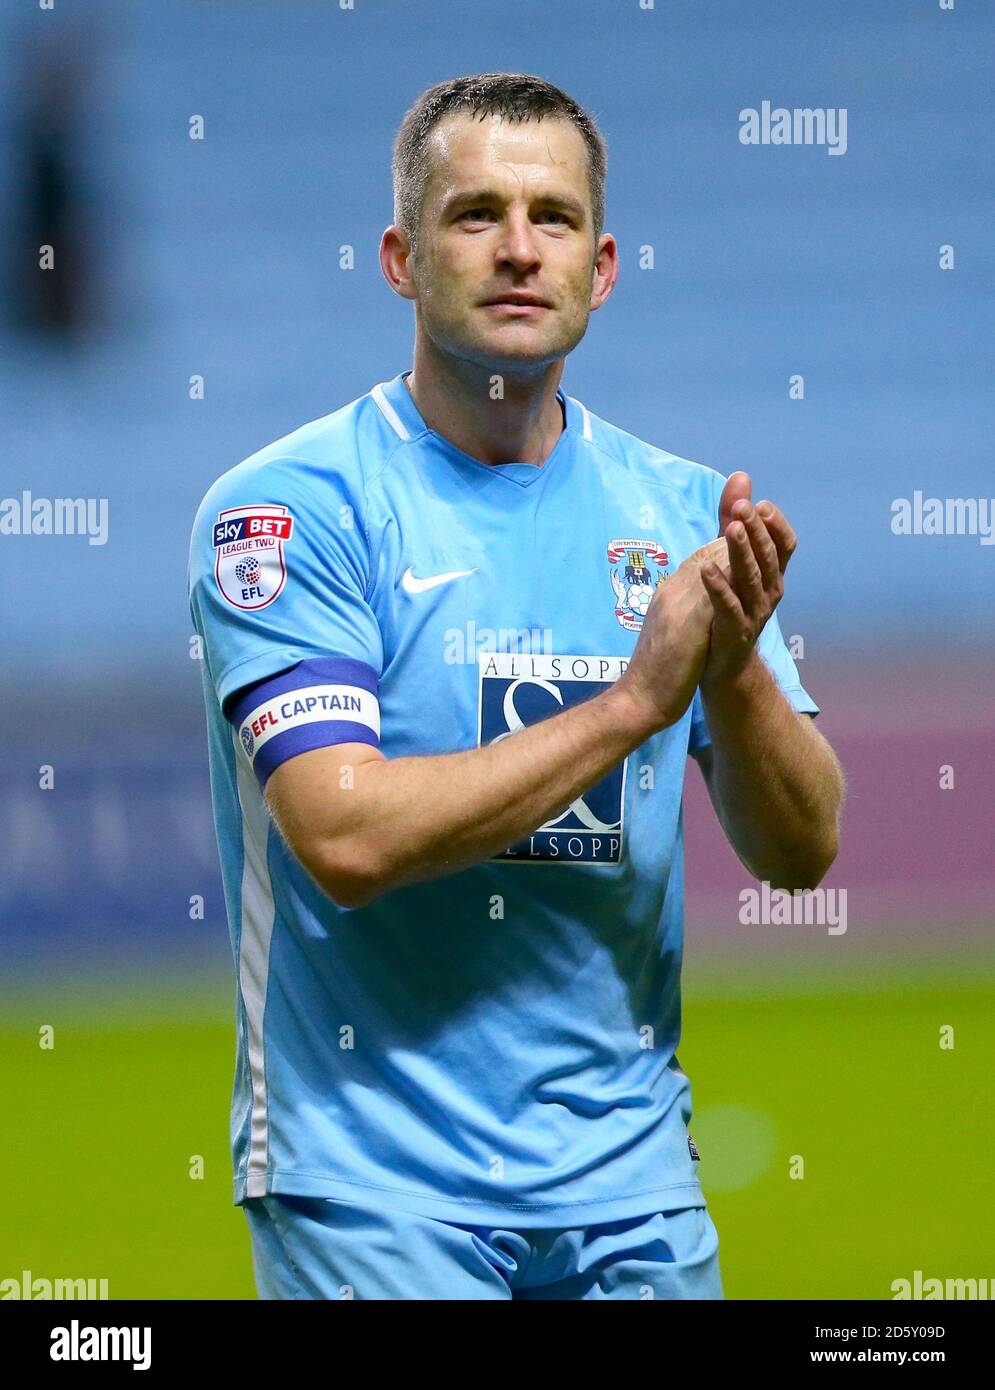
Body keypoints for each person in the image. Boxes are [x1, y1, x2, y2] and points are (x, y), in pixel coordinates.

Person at [187, 71, 845, 1301]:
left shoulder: (678, 511)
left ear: (600, 270)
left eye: (550, 218)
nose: (515, 250)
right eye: (473, 213)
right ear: (399, 257)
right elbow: (342, 832)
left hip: (632, 1189)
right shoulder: (292, 512)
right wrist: (629, 707)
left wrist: (737, 667)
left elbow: (801, 850)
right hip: (370, 1187)